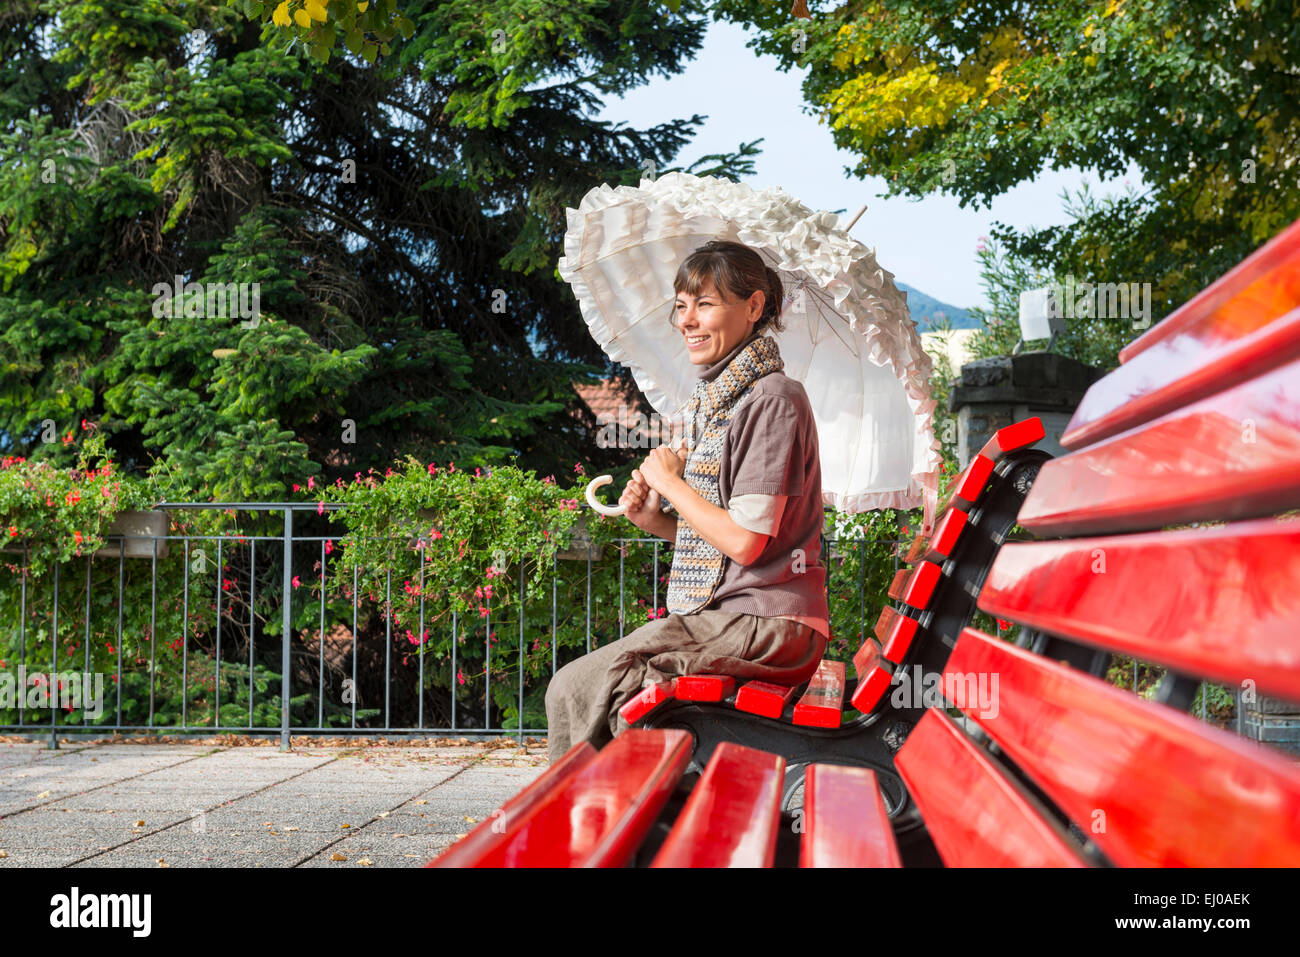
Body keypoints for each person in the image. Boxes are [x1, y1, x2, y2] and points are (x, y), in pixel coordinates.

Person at [544, 239, 830, 764]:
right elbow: (742, 542)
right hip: (750, 616)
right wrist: (656, 518)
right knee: (584, 686)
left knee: (582, 687)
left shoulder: (771, 400)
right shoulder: (726, 399)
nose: (687, 321)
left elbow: (746, 542)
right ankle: (621, 819)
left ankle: (596, 828)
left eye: (705, 304)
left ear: (754, 306)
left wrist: (674, 485)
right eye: (681, 305)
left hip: (767, 624)